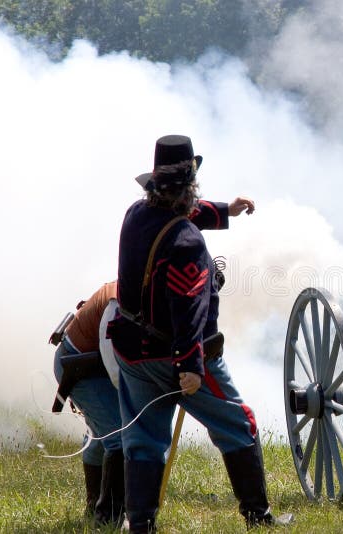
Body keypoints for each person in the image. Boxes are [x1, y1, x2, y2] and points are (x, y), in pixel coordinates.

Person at [108, 134, 292, 532]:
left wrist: (228, 210)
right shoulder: (187, 243)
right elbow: (190, 311)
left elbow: (185, 213)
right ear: (190, 185)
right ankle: (259, 517)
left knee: (143, 439)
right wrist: (189, 365)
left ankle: (140, 525)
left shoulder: (136, 215)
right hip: (178, 356)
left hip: (132, 351)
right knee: (239, 424)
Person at [51, 280, 125, 525]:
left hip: (99, 364)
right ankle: (110, 518)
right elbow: (110, 353)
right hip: (80, 365)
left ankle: (95, 505)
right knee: (118, 435)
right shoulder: (119, 299)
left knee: (102, 434)